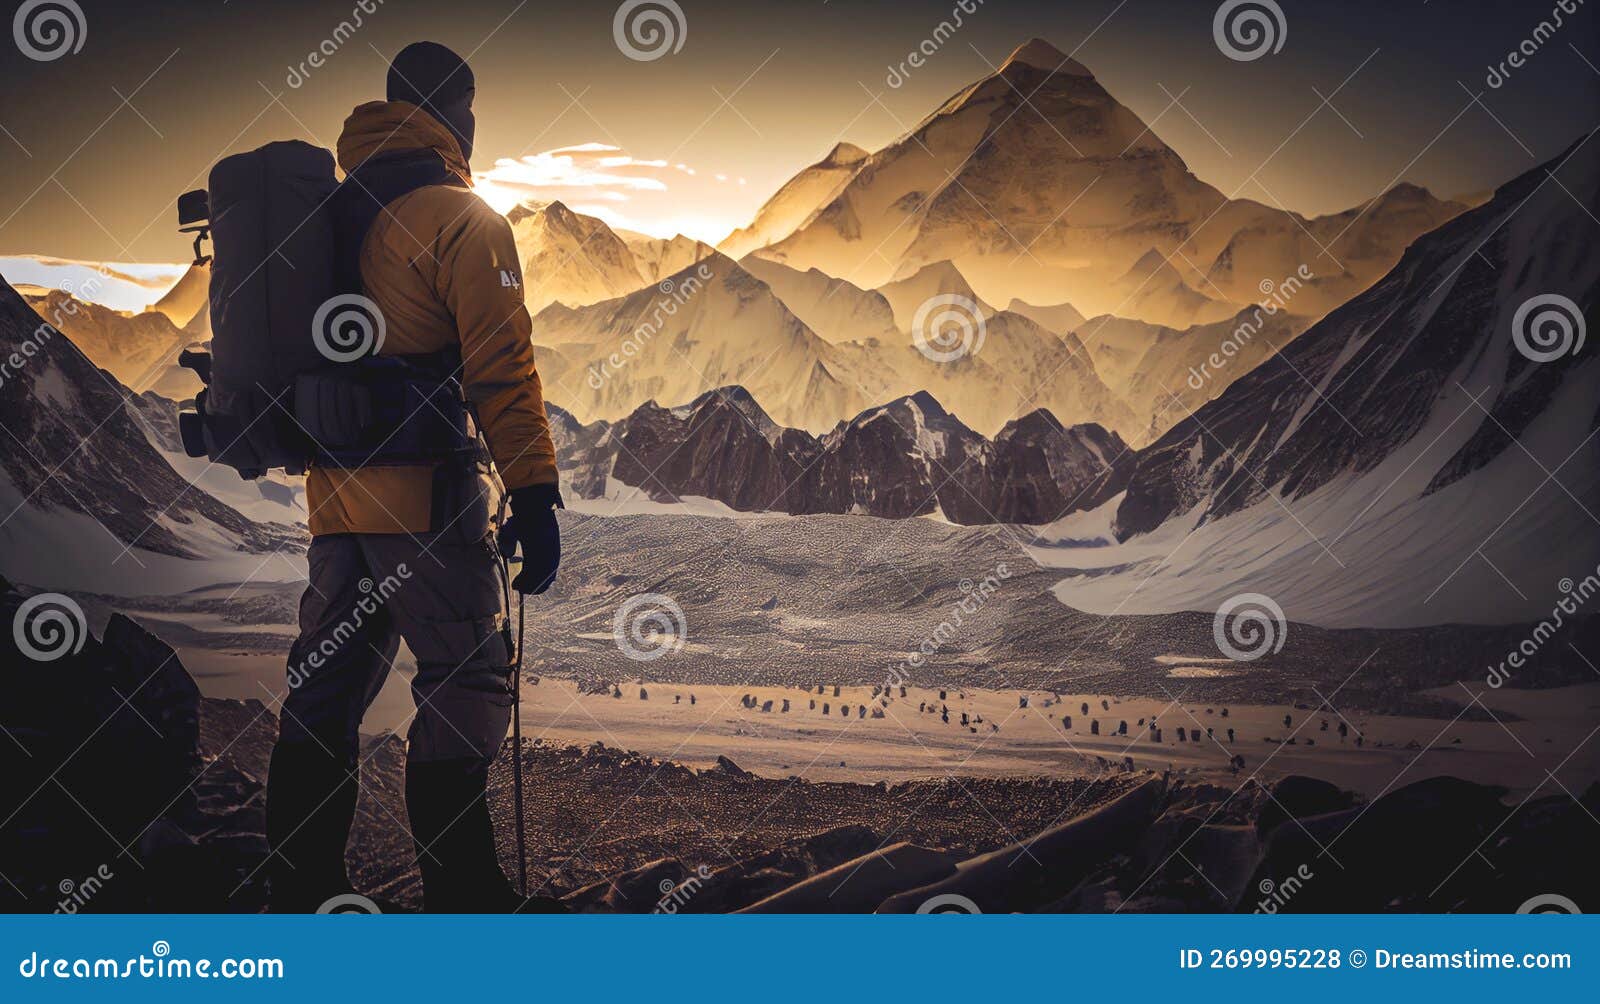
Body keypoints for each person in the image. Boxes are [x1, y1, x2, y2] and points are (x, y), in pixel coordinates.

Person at [265, 42, 562, 914]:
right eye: (470, 110)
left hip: (334, 502)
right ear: (457, 112)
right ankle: (465, 902)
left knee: (326, 688)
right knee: (466, 679)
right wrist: (534, 492)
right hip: (426, 500)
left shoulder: (325, 217)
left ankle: (302, 894)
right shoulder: (463, 219)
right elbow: (502, 369)